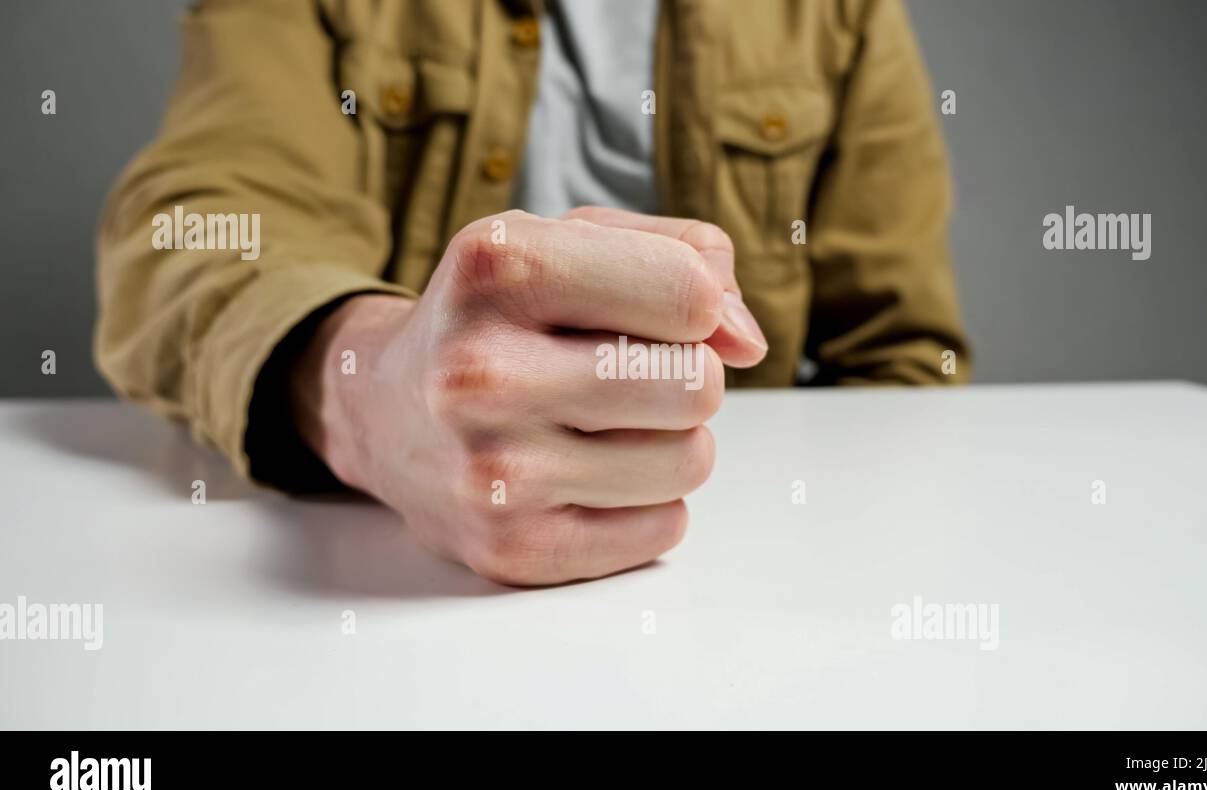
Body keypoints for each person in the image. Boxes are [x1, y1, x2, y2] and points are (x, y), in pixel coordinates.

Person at [95, 0, 969, 585]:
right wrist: (368, 382)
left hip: (717, 596)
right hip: (397, 583)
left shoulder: (836, 14)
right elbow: (185, 227)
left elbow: (904, 358)